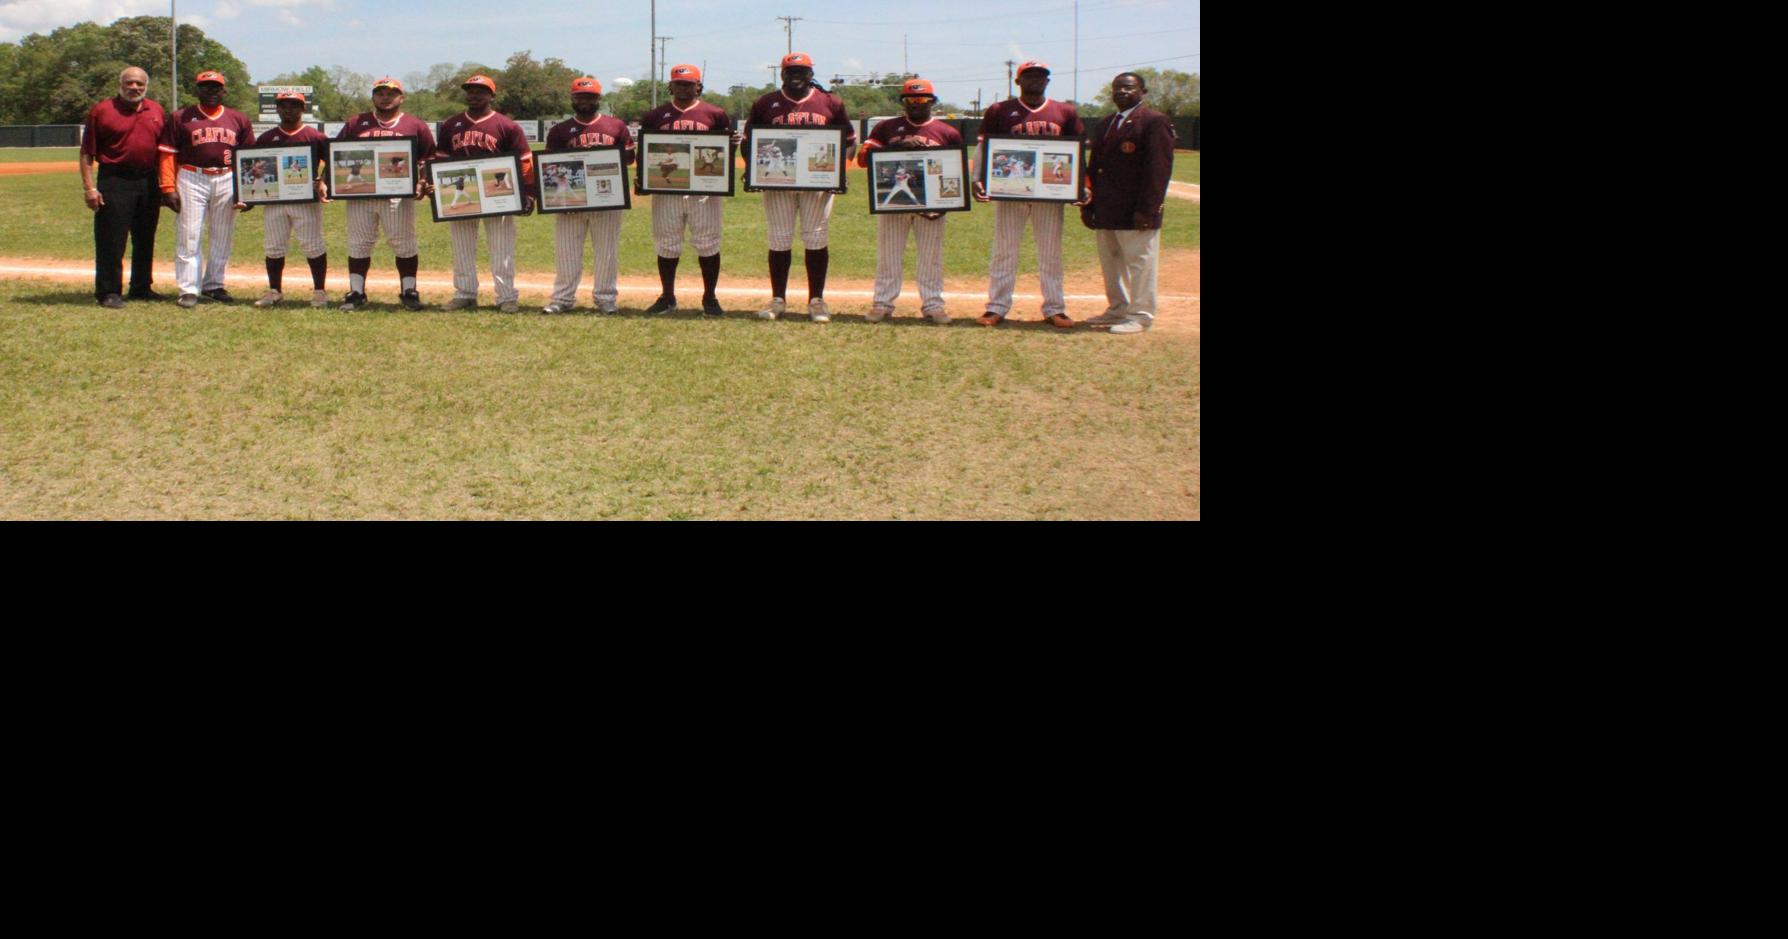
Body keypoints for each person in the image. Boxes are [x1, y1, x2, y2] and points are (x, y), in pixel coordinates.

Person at [972, 60, 1085, 329]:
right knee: (1004, 250)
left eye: (1041, 76)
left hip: (1050, 192)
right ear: (1018, 81)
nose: (1035, 80)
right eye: (1029, 76)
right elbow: (983, 148)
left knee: (1050, 252)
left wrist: (1082, 183)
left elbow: (1078, 152)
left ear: (1048, 81)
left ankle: (1055, 308)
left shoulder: (1064, 111)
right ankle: (996, 306)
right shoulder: (1000, 110)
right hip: (1010, 190)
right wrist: (977, 178)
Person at [745, 52, 856, 322]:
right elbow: (748, 142)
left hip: (818, 182)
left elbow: (850, 141)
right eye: (791, 70)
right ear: (781, 73)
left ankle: (816, 300)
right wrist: (754, 173)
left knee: (816, 238)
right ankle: (778, 299)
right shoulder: (765, 103)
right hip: (777, 182)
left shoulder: (830, 102)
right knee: (779, 239)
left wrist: (839, 172)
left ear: (811, 73)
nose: (796, 75)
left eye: (802, 71)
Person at [855, 78, 961, 325]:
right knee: (889, 256)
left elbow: (954, 174)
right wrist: (897, 147)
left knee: (931, 257)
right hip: (894, 203)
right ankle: (882, 304)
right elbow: (863, 159)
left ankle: (933, 305)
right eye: (910, 99)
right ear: (903, 101)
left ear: (932, 101)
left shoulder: (948, 132)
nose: (916, 104)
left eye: (922, 99)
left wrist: (944, 205)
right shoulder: (886, 128)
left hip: (931, 206)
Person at [1082, 72, 1176, 335]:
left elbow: (1158, 171)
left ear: (1143, 92)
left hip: (1136, 210)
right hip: (1106, 208)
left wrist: (1148, 209)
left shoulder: (1154, 122)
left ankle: (1141, 315)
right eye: (1116, 88)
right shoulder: (1106, 124)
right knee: (1112, 263)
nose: (1121, 92)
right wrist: (1089, 205)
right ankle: (1118, 308)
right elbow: (1095, 167)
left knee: (1140, 264)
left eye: (1128, 87)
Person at [434, 74, 535, 313]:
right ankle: (465, 293)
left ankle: (506, 297)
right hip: (466, 188)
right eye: (471, 90)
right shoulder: (451, 124)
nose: (475, 95)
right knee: (462, 246)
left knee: (502, 248)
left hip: (497, 194)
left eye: (481, 91)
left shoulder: (506, 125)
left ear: (492, 95)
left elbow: (525, 162)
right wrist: (436, 190)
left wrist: (529, 193)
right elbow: (441, 161)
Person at [638, 64, 731, 316]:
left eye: (688, 84)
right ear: (671, 85)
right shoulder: (655, 116)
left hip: (704, 190)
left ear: (698, 86)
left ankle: (710, 297)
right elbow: (646, 153)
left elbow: (723, 154)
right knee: (667, 243)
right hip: (666, 190)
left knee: (708, 242)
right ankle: (667, 296)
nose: (683, 88)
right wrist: (642, 180)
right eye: (678, 83)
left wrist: (731, 145)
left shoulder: (715, 114)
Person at [335, 76, 435, 311]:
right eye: (380, 92)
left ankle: (409, 291)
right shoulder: (355, 123)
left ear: (401, 97)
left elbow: (428, 156)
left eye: (391, 93)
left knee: (404, 243)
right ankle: (356, 292)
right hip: (362, 194)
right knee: (359, 243)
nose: (385, 97)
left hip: (397, 194)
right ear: (373, 97)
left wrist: (422, 181)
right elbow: (337, 153)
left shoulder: (414, 124)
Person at [158, 70, 255, 308]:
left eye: (216, 87)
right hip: (192, 175)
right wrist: (168, 186)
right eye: (206, 87)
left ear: (224, 90)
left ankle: (214, 284)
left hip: (226, 177)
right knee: (189, 234)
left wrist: (248, 190)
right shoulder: (180, 117)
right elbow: (167, 154)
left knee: (222, 234)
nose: (211, 92)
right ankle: (188, 288)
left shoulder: (238, 119)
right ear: (197, 90)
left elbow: (249, 159)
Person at [541, 76, 634, 315]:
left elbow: (630, 158)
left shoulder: (616, 126)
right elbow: (549, 167)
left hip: (607, 196)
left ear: (598, 98)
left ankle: (605, 298)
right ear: (572, 98)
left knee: (607, 251)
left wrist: (602, 154)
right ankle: (562, 298)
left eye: (590, 96)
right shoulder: (560, 131)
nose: (585, 100)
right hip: (571, 200)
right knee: (567, 251)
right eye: (580, 96)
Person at [80, 66, 167, 308]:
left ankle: (141, 287)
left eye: (139, 83)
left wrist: (165, 185)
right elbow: (87, 152)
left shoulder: (156, 110)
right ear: (120, 85)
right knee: (111, 238)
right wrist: (89, 188)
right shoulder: (102, 111)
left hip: (148, 181)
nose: (134, 87)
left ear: (146, 86)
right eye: (129, 83)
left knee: (145, 237)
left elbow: (164, 152)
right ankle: (108, 291)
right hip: (114, 180)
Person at [249, 91, 331, 308]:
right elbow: (255, 167)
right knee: (274, 246)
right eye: (283, 105)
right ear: (276, 108)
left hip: (305, 200)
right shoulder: (266, 138)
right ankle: (274, 290)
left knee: (312, 245)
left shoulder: (315, 136)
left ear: (303, 109)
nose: (288, 109)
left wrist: (322, 182)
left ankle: (320, 291)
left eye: (294, 105)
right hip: (275, 199)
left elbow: (332, 162)